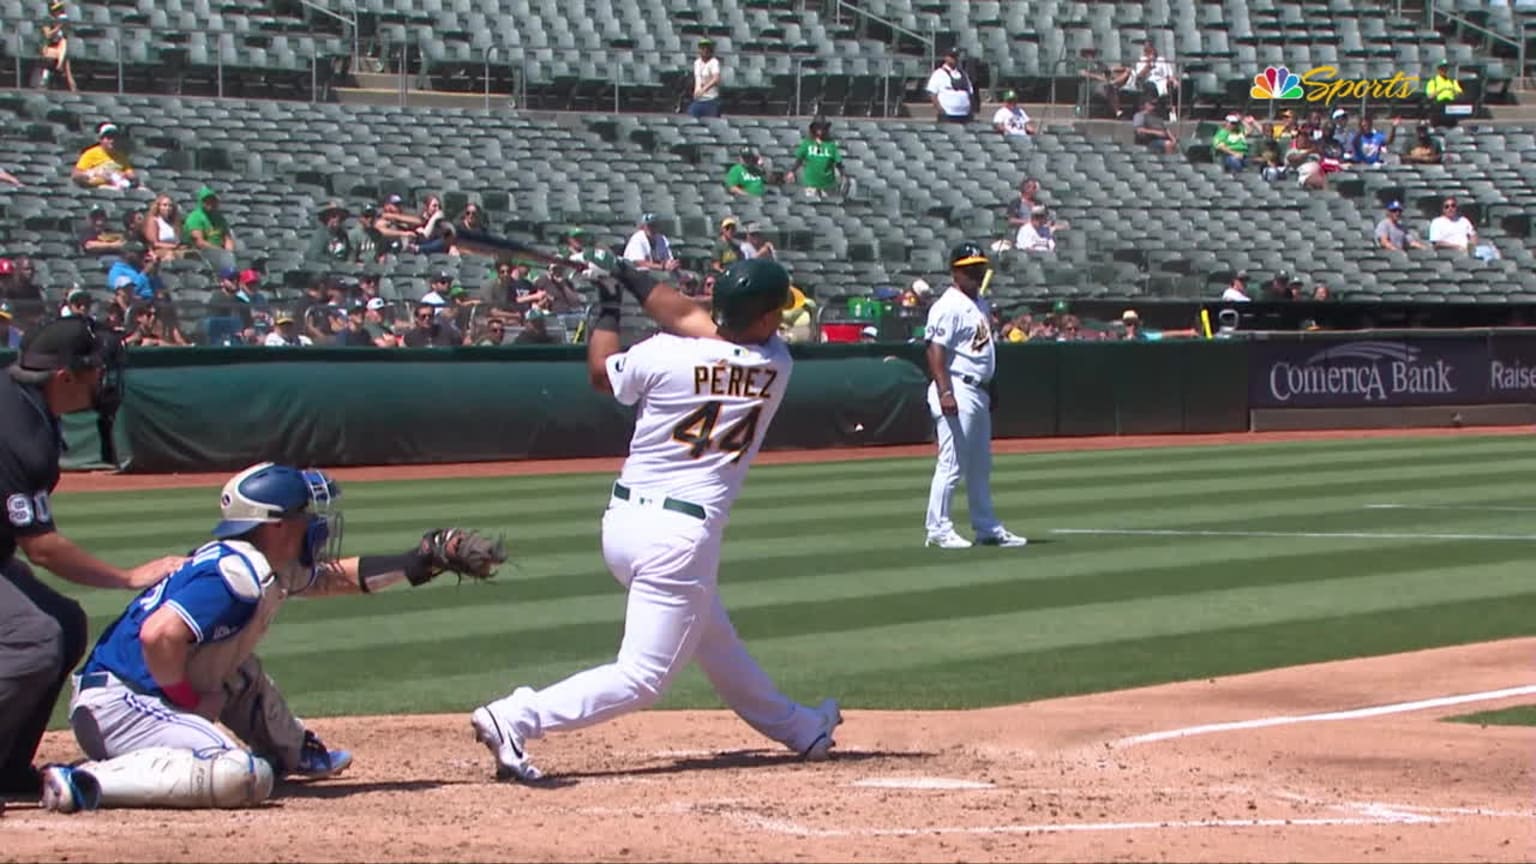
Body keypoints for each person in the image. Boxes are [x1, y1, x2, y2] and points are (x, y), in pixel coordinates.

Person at [469, 256, 842, 783]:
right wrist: (629, 275)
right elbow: (689, 314)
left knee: (713, 638)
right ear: (761, 318)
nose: (780, 318)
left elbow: (603, 370)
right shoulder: (775, 363)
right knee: (644, 676)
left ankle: (801, 728)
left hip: (624, 523)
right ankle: (515, 717)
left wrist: (609, 300)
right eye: (775, 311)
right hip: (681, 538)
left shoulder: (663, 353)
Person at [36, 462, 507, 812]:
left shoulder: (260, 563)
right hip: (121, 705)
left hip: (136, 695)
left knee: (238, 671)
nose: (315, 522)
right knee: (240, 775)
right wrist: (188, 701)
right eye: (304, 513)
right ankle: (85, 781)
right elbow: (159, 636)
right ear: (276, 525)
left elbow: (331, 578)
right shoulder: (234, 575)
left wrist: (419, 560)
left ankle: (291, 750)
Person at [0, 319, 186, 806]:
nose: (103, 378)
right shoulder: (18, 433)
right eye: (94, 370)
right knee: (34, 640)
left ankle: (6, 766)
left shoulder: (26, 404)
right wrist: (126, 577)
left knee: (65, 622)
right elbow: (41, 546)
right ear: (64, 377)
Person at [921, 243, 1028, 550]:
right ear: (955, 272)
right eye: (969, 268)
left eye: (979, 267)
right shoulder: (947, 305)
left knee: (980, 465)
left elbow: (980, 350)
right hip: (955, 387)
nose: (976, 273)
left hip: (977, 389)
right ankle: (938, 528)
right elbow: (934, 350)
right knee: (952, 462)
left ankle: (986, 527)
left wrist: (990, 385)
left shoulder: (979, 302)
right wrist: (945, 391)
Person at [688, 39, 722, 119]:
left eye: (707, 48)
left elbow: (716, 78)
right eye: (702, 48)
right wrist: (696, 90)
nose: (705, 50)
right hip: (698, 99)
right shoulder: (697, 62)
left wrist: (703, 90)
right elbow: (697, 78)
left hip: (711, 100)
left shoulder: (714, 62)